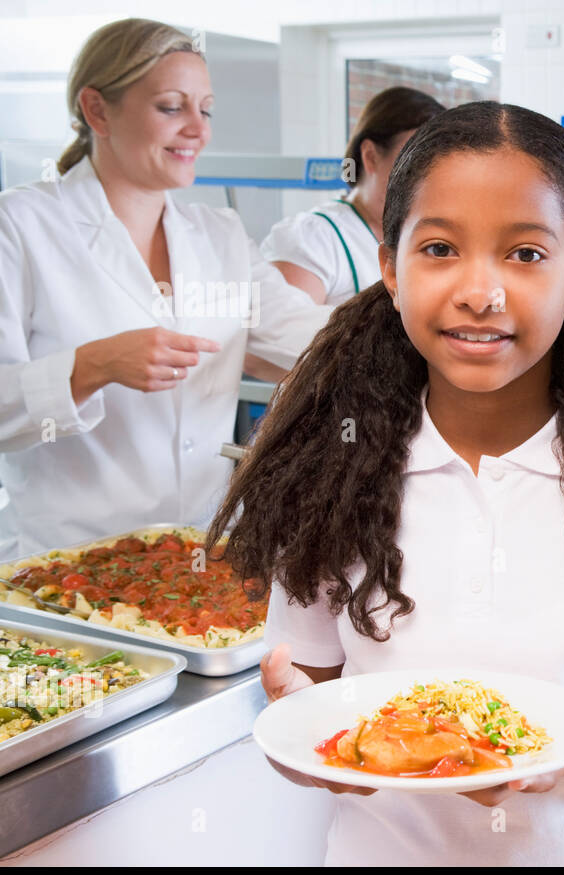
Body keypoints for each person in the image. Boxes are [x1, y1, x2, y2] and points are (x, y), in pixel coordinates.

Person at [211, 101, 564, 866]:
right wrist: (319, 741)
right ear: (391, 269)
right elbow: (303, 739)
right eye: (439, 248)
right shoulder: (330, 481)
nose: (480, 291)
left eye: (526, 254)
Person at [0, 18, 329, 560]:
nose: (198, 130)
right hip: (64, 563)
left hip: (199, 553)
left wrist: (421, 304)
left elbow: (305, 336)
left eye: (206, 109)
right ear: (97, 110)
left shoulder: (218, 235)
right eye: (172, 107)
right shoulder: (22, 225)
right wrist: (91, 366)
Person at [261, 87, 443, 307]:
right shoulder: (313, 238)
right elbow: (285, 333)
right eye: (416, 160)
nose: (429, 177)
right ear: (370, 156)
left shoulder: (427, 236)